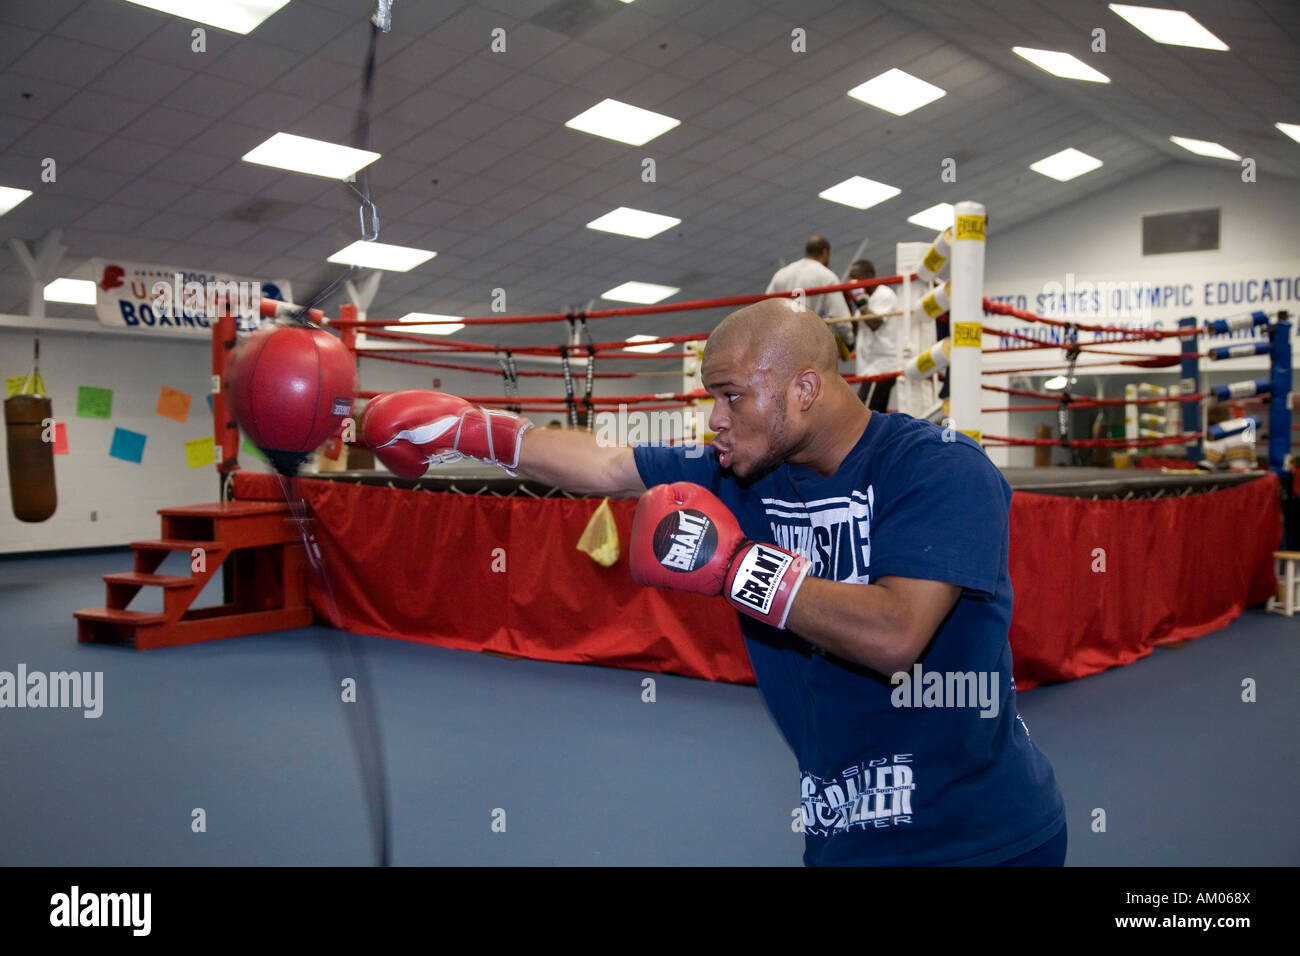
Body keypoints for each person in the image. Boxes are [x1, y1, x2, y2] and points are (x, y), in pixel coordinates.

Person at [359, 298, 1067, 866]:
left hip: (984, 840)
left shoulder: (937, 468)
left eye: (731, 397)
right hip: (846, 833)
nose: (715, 422)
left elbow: (894, 634)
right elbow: (607, 465)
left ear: (805, 389)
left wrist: (734, 568)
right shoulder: (744, 471)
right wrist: (472, 432)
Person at [845, 258, 901, 413]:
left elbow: (875, 324)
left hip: (882, 366)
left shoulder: (884, 294)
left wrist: (860, 302)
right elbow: (855, 330)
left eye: (857, 278)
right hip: (870, 365)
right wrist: (848, 303)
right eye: (851, 279)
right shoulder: (865, 300)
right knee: (877, 415)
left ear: (869, 275)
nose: (854, 283)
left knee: (863, 414)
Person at [766, 235, 852, 326]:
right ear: (825, 252)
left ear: (806, 252)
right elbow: (841, 318)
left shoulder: (781, 274)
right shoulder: (827, 276)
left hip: (784, 334)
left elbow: (765, 307)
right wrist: (849, 339)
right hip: (811, 335)